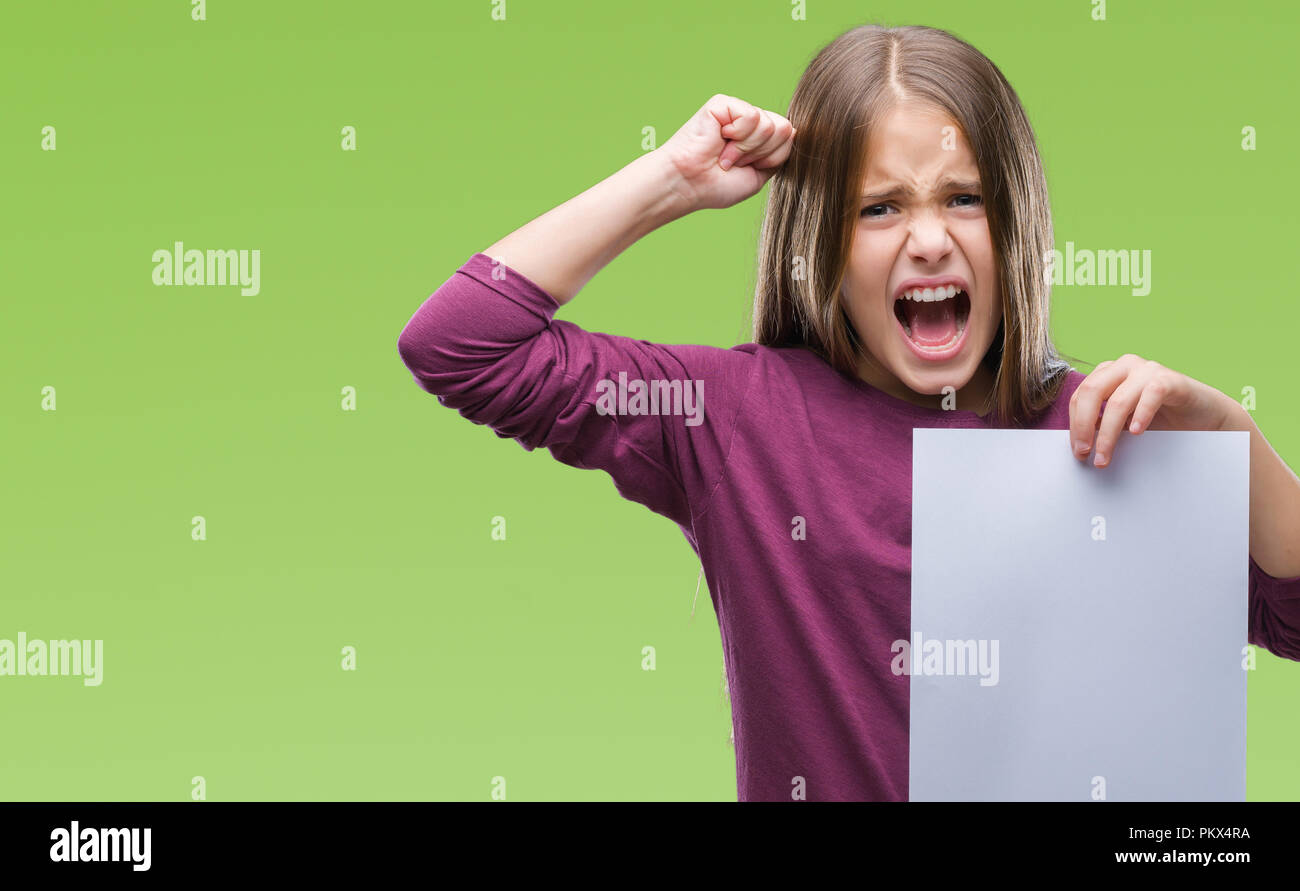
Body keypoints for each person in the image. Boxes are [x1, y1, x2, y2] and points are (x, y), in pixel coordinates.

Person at [396, 23, 1300, 801]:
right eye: (879, 208)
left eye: (965, 198)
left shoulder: (1106, 428)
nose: (930, 238)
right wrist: (671, 179)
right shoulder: (735, 421)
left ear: (1016, 224)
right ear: (820, 244)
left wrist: (1231, 438)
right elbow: (462, 345)